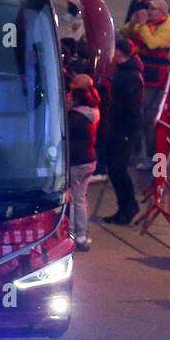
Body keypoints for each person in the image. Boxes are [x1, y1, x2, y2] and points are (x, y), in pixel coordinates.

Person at [122, 0, 170, 169]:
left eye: (152, 8)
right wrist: (132, 23)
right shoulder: (150, 24)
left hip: (157, 80)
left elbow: (152, 44)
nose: (149, 11)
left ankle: (154, 156)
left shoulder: (167, 29)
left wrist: (143, 25)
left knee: (148, 119)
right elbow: (124, 34)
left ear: (162, 11)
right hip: (145, 76)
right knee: (138, 115)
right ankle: (139, 153)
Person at [103, 39, 143, 225]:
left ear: (119, 53)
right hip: (119, 128)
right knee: (116, 170)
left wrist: (125, 131)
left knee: (118, 169)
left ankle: (129, 206)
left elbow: (130, 107)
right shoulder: (125, 72)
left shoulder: (130, 76)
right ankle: (125, 207)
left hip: (125, 130)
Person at [67, 74, 100, 251]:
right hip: (89, 159)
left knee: (73, 200)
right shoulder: (94, 113)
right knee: (81, 199)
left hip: (76, 161)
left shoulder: (74, 117)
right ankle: (81, 235)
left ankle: (72, 234)